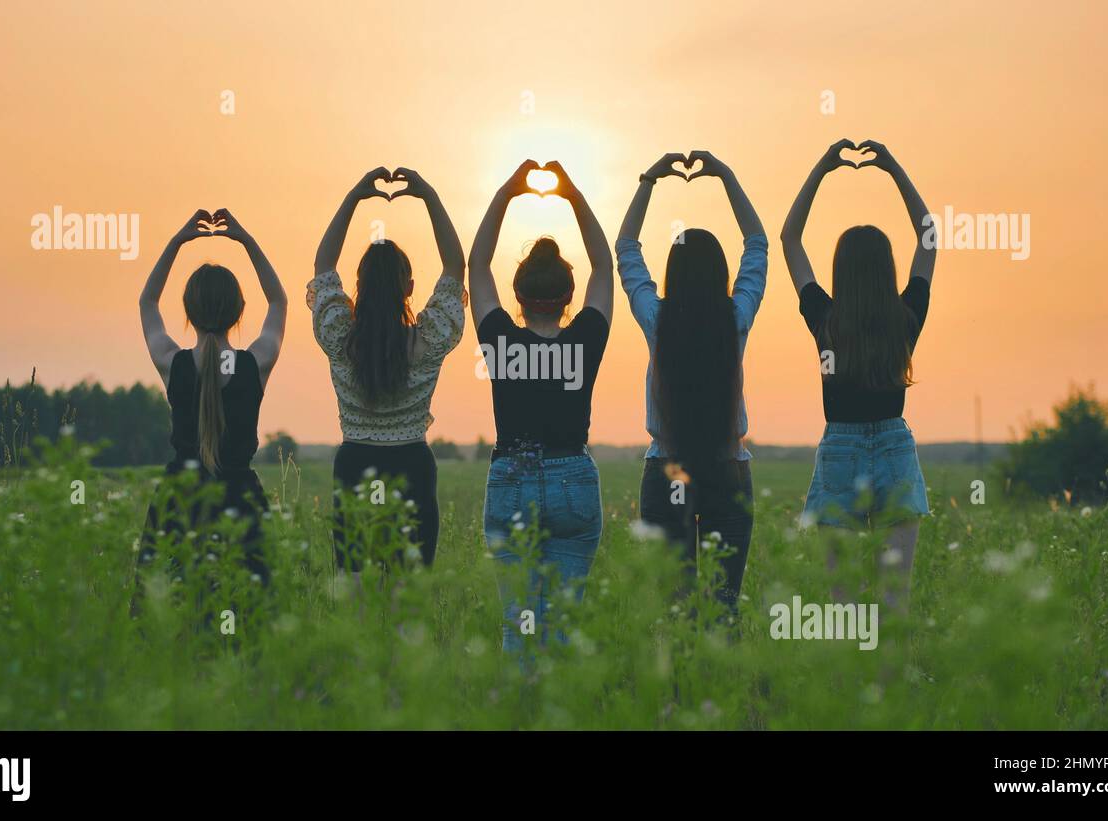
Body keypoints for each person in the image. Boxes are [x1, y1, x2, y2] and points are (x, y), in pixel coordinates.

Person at [780, 138, 937, 607]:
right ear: (887, 270)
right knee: (895, 601)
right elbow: (927, 233)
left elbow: (790, 238)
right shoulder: (905, 318)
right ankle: (891, 682)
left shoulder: (826, 320)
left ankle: (850, 682)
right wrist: (893, 167)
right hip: (894, 449)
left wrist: (821, 169)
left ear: (840, 271)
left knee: (842, 601)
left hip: (841, 450)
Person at [468, 159, 613, 653]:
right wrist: (571, 194)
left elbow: (477, 265)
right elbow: (605, 265)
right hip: (574, 475)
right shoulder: (586, 339)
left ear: (518, 296)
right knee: (564, 627)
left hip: (513, 473)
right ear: (570, 295)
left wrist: (509, 192)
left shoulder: (500, 340)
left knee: (520, 625)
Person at [616, 150, 767, 616]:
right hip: (727, 470)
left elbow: (626, 248)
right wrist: (726, 175)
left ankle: (680, 691)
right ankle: (720, 690)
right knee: (724, 610)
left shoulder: (659, 320)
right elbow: (757, 244)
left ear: (673, 273)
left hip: (666, 473)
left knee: (677, 613)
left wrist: (649, 180)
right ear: (720, 274)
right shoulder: (735, 318)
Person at [308, 167, 466, 571]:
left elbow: (323, 265)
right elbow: (454, 267)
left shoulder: (339, 336)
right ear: (409, 288)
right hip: (412, 466)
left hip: (356, 464)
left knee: (356, 596)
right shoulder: (426, 341)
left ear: (357, 286)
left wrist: (353, 198)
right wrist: (429, 195)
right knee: (407, 598)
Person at [135, 208, 287, 605]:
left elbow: (148, 301)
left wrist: (178, 241)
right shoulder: (255, 364)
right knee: (248, 622)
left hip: (179, 503)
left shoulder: (174, 364)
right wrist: (246, 240)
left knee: (170, 623)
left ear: (187, 311)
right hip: (242, 505)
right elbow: (278, 301)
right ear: (240, 310)